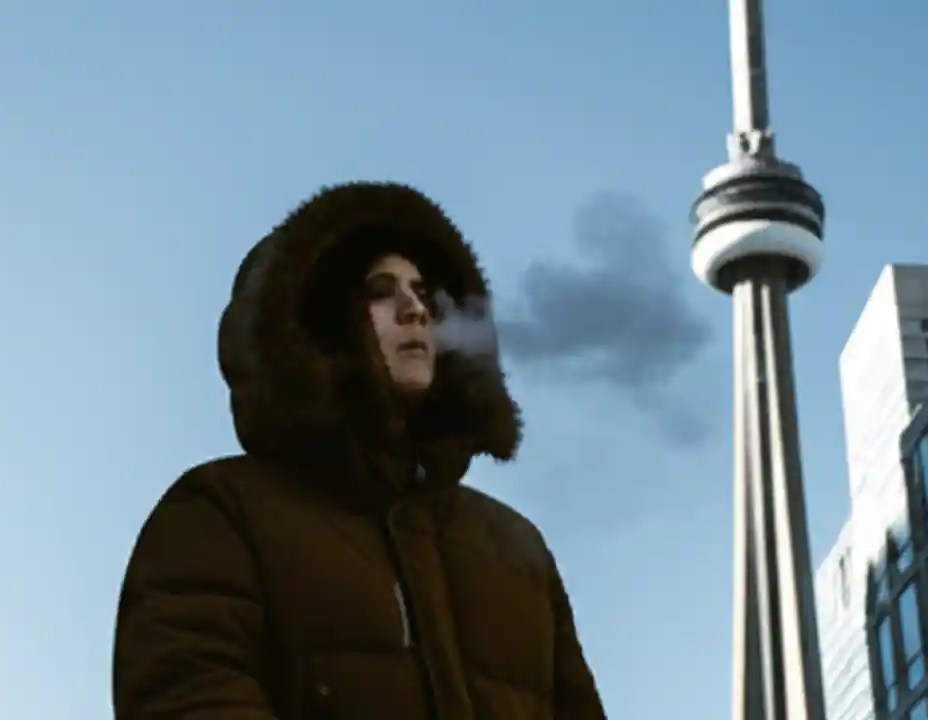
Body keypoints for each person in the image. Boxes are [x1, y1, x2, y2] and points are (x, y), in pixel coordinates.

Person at [112, 181, 608, 719]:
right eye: (380, 291)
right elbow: (187, 696)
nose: (415, 309)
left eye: (423, 292)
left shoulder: (518, 551)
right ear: (320, 324)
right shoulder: (223, 511)